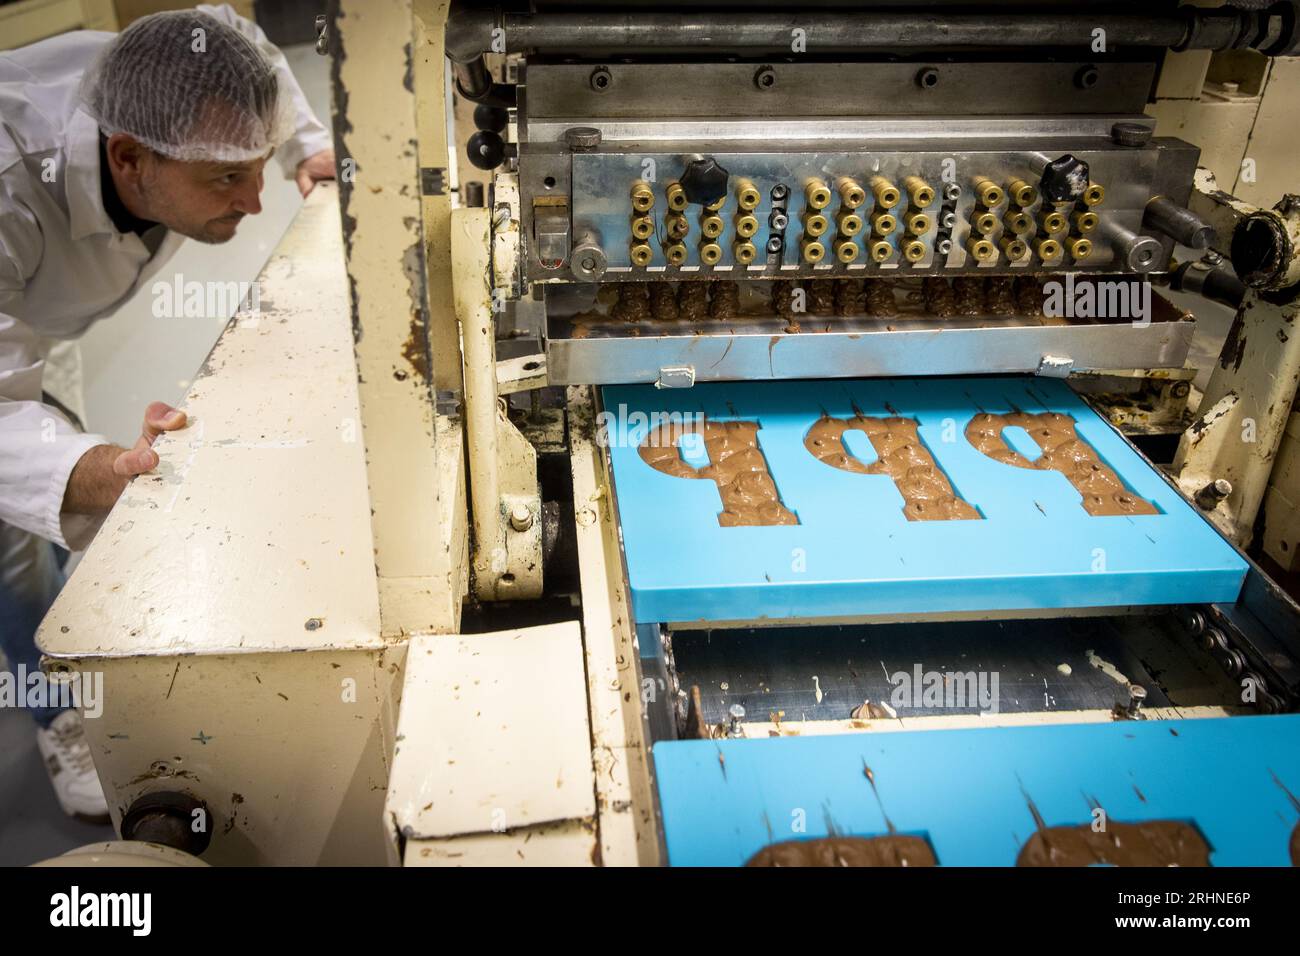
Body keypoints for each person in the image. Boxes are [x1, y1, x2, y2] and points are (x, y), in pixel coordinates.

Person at [0, 5, 335, 820]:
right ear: (128, 158)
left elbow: (244, 38)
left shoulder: (190, 67)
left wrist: (307, 144)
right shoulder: (11, 187)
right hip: (18, 282)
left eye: (254, 166)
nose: (256, 201)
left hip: (39, 302)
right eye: (228, 177)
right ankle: (58, 712)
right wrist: (100, 472)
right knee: (14, 545)